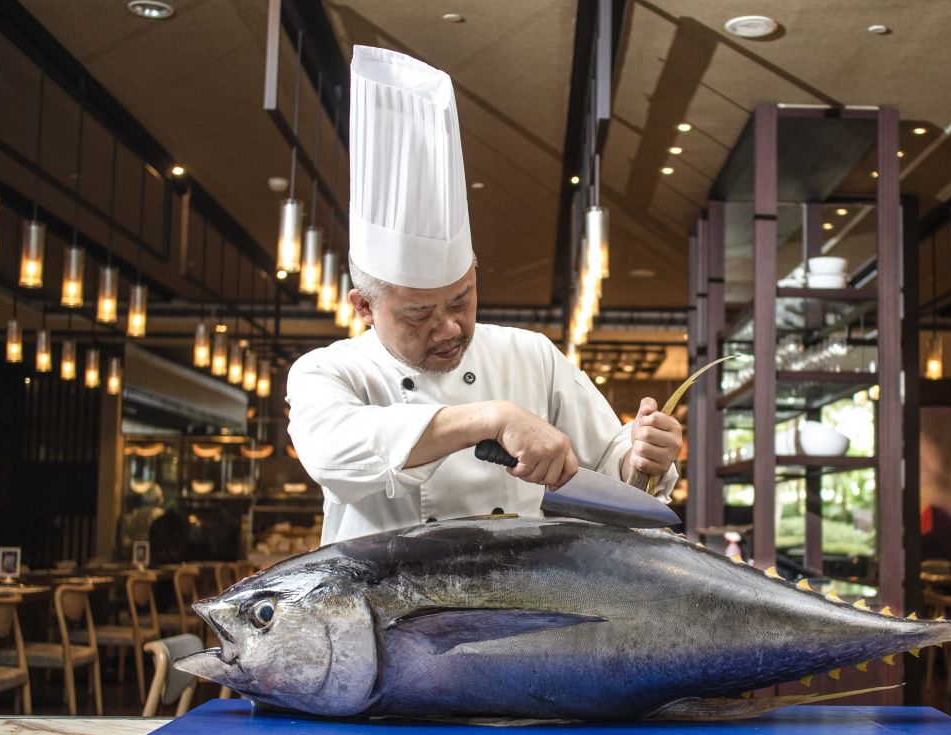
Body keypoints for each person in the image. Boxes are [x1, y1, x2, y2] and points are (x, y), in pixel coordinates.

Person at [287, 47, 681, 545]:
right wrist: (493, 419)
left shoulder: (531, 355)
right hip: (387, 598)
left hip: (522, 594)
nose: (450, 328)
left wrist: (642, 454)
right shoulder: (328, 371)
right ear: (364, 307)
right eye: (419, 314)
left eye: (461, 301)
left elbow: (609, 467)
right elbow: (331, 456)